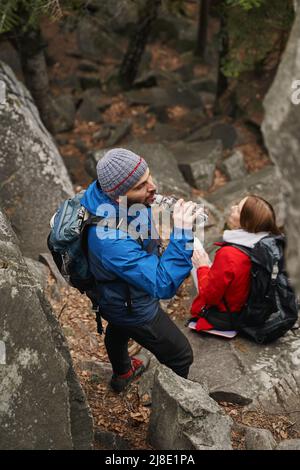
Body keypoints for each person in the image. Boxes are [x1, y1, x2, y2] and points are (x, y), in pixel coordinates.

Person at [81, 148, 202, 392]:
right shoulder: (109, 240)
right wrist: (182, 234)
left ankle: (123, 372)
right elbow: (163, 284)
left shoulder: (109, 196)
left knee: (118, 329)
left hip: (116, 298)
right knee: (180, 355)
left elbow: (136, 233)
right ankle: (172, 411)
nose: (153, 187)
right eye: (141, 185)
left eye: (149, 177)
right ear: (118, 197)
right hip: (133, 306)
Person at [190, 195, 282, 331]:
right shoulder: (268, 246)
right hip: (249, 311)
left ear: (245, 223)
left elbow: (209, 297)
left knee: (193, 245)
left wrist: (202, 267)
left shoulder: (230, 255)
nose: (232, 208)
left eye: (238, 209)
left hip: (226, 318)